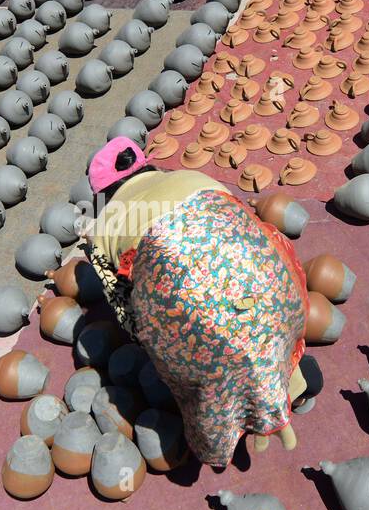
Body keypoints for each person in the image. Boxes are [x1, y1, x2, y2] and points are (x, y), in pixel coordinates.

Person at [82, 137, 321, 469]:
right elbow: (244, 224)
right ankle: (296, 387)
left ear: (104, 193)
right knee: (259, 326)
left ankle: (225, 440)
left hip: (205, 333)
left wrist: (156, 344)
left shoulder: (102, 231)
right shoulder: (190, 177)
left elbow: (126, 312)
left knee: (201, 364)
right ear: (143, 164)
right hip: (269, 292)